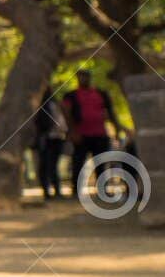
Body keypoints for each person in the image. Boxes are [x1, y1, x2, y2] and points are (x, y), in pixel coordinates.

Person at [65, 68, 119, 197]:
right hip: (81, 134)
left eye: (85, 76)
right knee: (78, 162)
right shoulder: (71, 95)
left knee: (100, 163)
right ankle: (76, 190)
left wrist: (117, 128)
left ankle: (102, 189)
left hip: (100, 134)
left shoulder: (101, 93)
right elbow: (66, 113)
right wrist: (72, 132)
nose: (83, 79)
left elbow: (110, 112)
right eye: (80, 77)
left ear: (90, 78)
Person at [33, 84, 66, 199]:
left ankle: (56, 190)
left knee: (53, 165)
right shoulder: (39, 105)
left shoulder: (55, 104)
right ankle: (46, 191)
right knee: (45, 165)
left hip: (58, 137)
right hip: (46, 138)